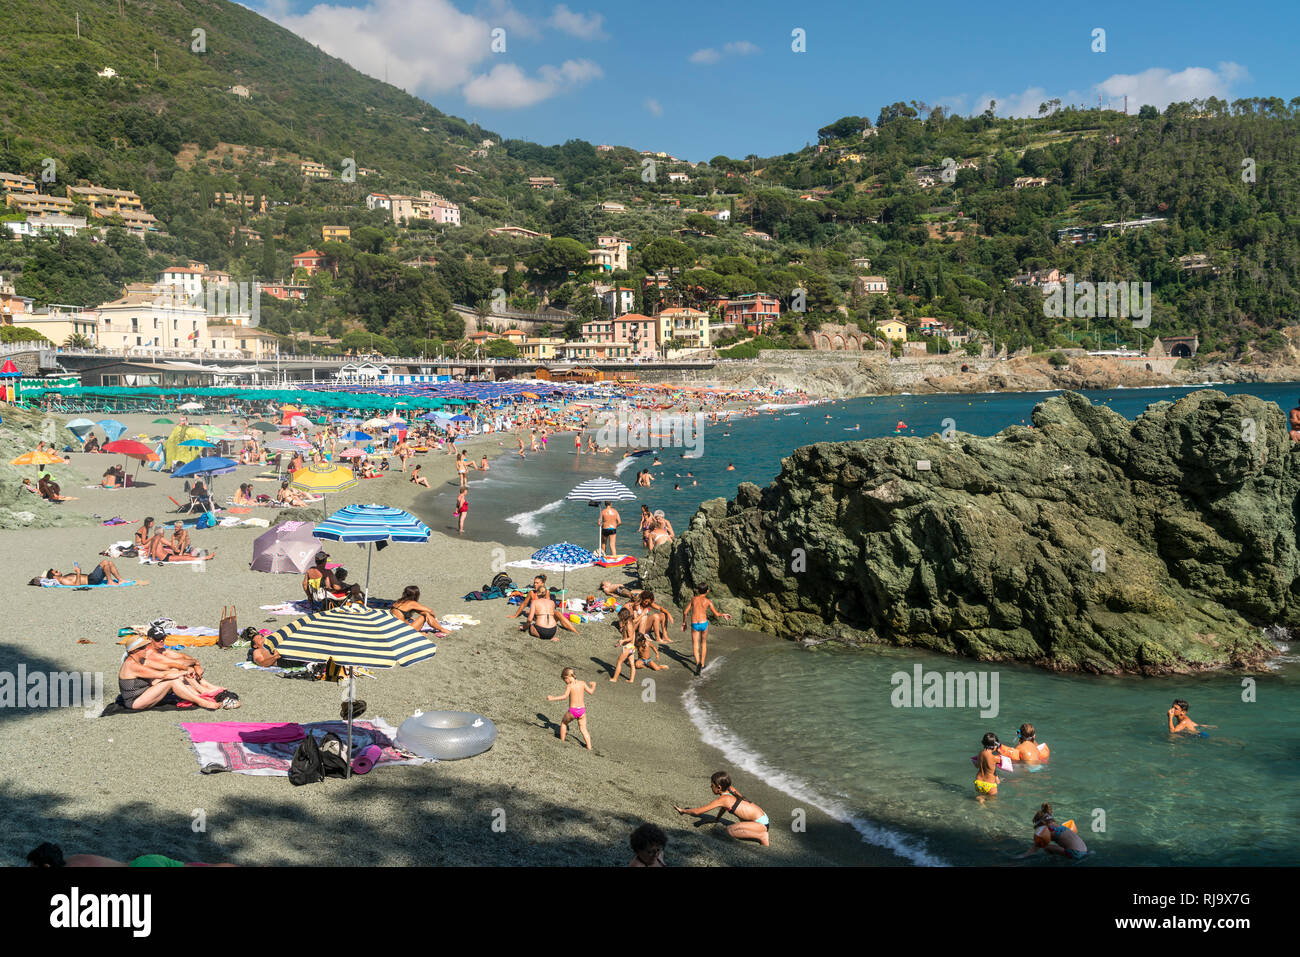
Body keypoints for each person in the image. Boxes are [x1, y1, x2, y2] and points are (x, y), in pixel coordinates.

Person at [117, 637, 237, 711]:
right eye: (142, 648)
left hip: (144, 691)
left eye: (145, 646)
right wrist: (184, 671)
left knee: (175, 673)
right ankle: (202, 701)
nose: (146, 649)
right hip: (135, 701)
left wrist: (184, 669)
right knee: (172, 680)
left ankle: (202, 693)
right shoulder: (131, 665)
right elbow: (163, 675)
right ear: (134, 651)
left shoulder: (139, 660)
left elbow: (165, 666)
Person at [674, 771, 769, 846]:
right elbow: (726, 807)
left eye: (712, 785)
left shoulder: (723, 799)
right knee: (734, 828)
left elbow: (697, 812)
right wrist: (717, 819)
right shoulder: (731, 789)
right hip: (762, 816)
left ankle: (761, 836)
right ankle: (758, 831)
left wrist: (683, 811)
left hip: (760, 824)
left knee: (728, 831)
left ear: (719, 787)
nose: (711, 787)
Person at [683, 584, 731, 674]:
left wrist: (684, 623)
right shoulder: (708, 601)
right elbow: (716, 614)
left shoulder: (693, 599)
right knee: (703, 643)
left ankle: (698, 663)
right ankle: (703, 664)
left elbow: (685, 612)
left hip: (694, 623)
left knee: (695, 644)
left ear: (697, 591)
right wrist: (723, 615)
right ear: (707, 591)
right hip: (703, 623)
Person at [546, 667, 595, 750]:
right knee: (583, 729)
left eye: (565, 680)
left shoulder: (570, 686)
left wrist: (552, 698)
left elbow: (564, 696)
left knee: (564, 723)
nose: (565, 682)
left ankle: (562, 741)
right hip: (582, 711)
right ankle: (589, 747)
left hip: (573, 711)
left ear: (567, 677)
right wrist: (593, 686)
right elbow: (591, 692)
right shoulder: (582, 683)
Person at [1022, 804, 1088, 860]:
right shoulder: (1061, 827)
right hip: (1085, 852)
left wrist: (1021, 857)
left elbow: (1036, 847)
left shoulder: (1049, 830)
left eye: (1039, 828)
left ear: (1043, 824)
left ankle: (1053, 861)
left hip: (1075, 854)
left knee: (1046, 847)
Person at [42, 560, 122, 586]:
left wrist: (78, 572)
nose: (58, 571)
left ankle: (120, 580)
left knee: (109, 563)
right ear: (54, 577)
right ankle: (109, 581)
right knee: (105, 562)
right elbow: (77, 585)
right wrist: (78, 573)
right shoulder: (63, 580)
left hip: (91, 577)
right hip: (92, 580)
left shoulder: (65, 577)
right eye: (56, 572)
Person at [975, 732, 1003, 798]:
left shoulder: (980, 754)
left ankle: (981, 800)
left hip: (978, 782)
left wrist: (996, 776)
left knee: (982, 796)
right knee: (992, 803)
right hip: (990, 784)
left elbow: (977, 766)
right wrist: (1000, 751)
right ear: (994, 745)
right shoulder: (995, 758)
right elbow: (1006, 761)